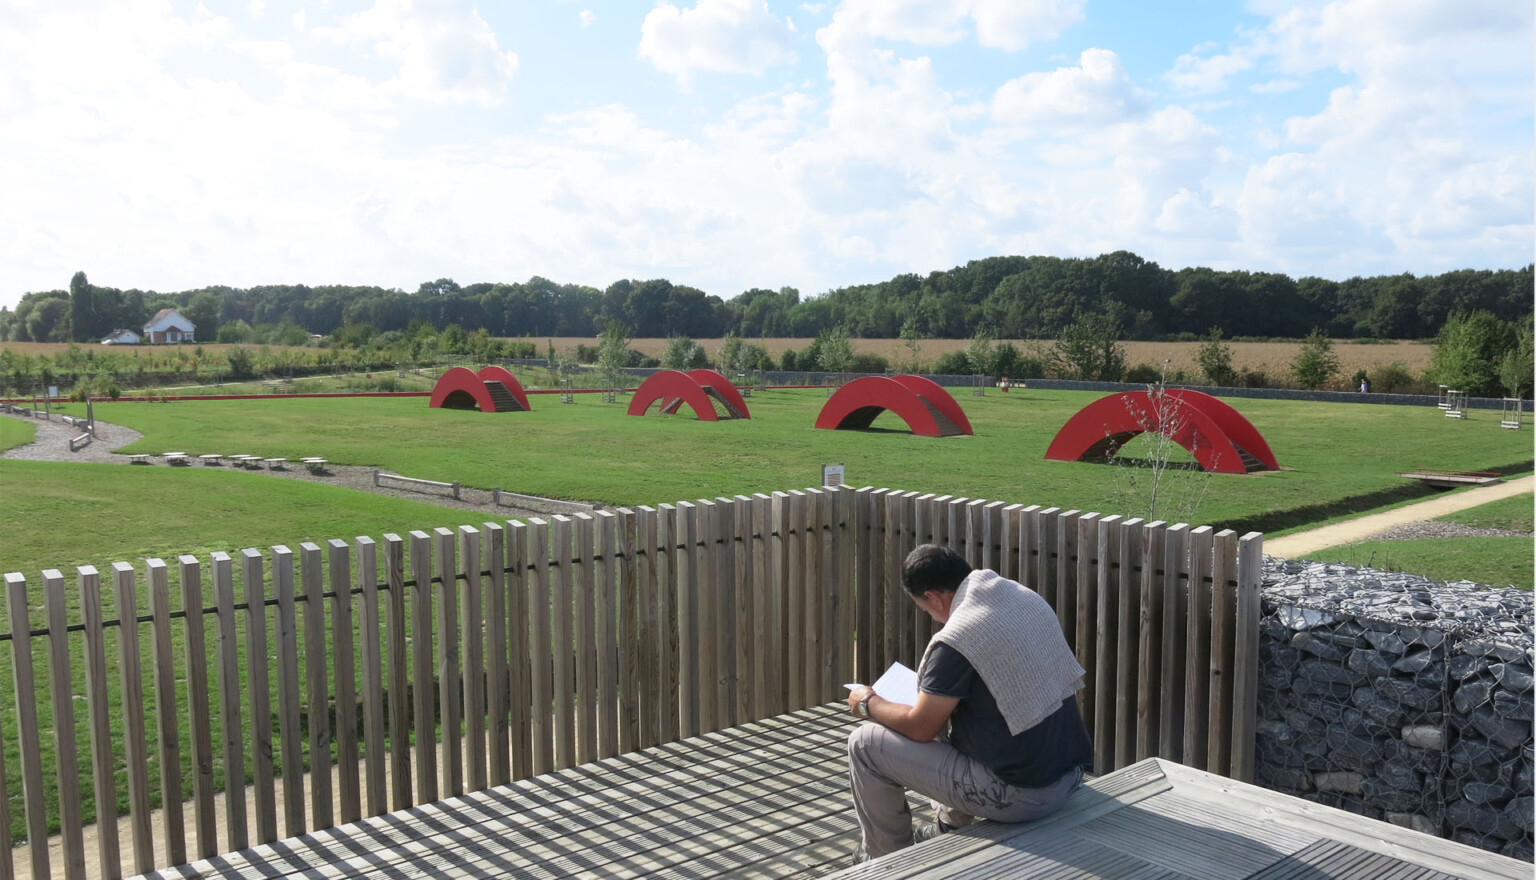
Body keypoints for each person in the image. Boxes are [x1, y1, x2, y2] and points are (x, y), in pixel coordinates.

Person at [845, 544, 1092, 863]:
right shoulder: (1022, 599)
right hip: (1069, 776)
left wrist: (868, 702)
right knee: (963, 719)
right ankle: (947, 827)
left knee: (864, 745)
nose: (933, 619)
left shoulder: (959, 639)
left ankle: (886, 860)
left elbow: (921, 728)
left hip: (1023, 796)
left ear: (933, 597)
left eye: (925, 609)